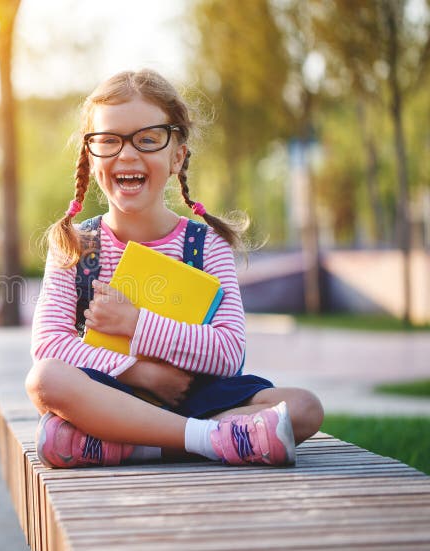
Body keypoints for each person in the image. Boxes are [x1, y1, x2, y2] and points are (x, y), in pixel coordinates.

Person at [26, 69, 324, 468]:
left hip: (196, 397)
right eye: (109, 141)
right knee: (45, 379)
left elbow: (229, 353)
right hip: (111, 395)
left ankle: (131, 445)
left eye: (148, 139)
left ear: (177, 156)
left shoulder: (208, 245)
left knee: (303, 408)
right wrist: (141, 374)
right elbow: (50, 346)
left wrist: (136, 324)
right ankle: (207, 439)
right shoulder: (75, 245)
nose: (127, 155)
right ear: (91, 157)